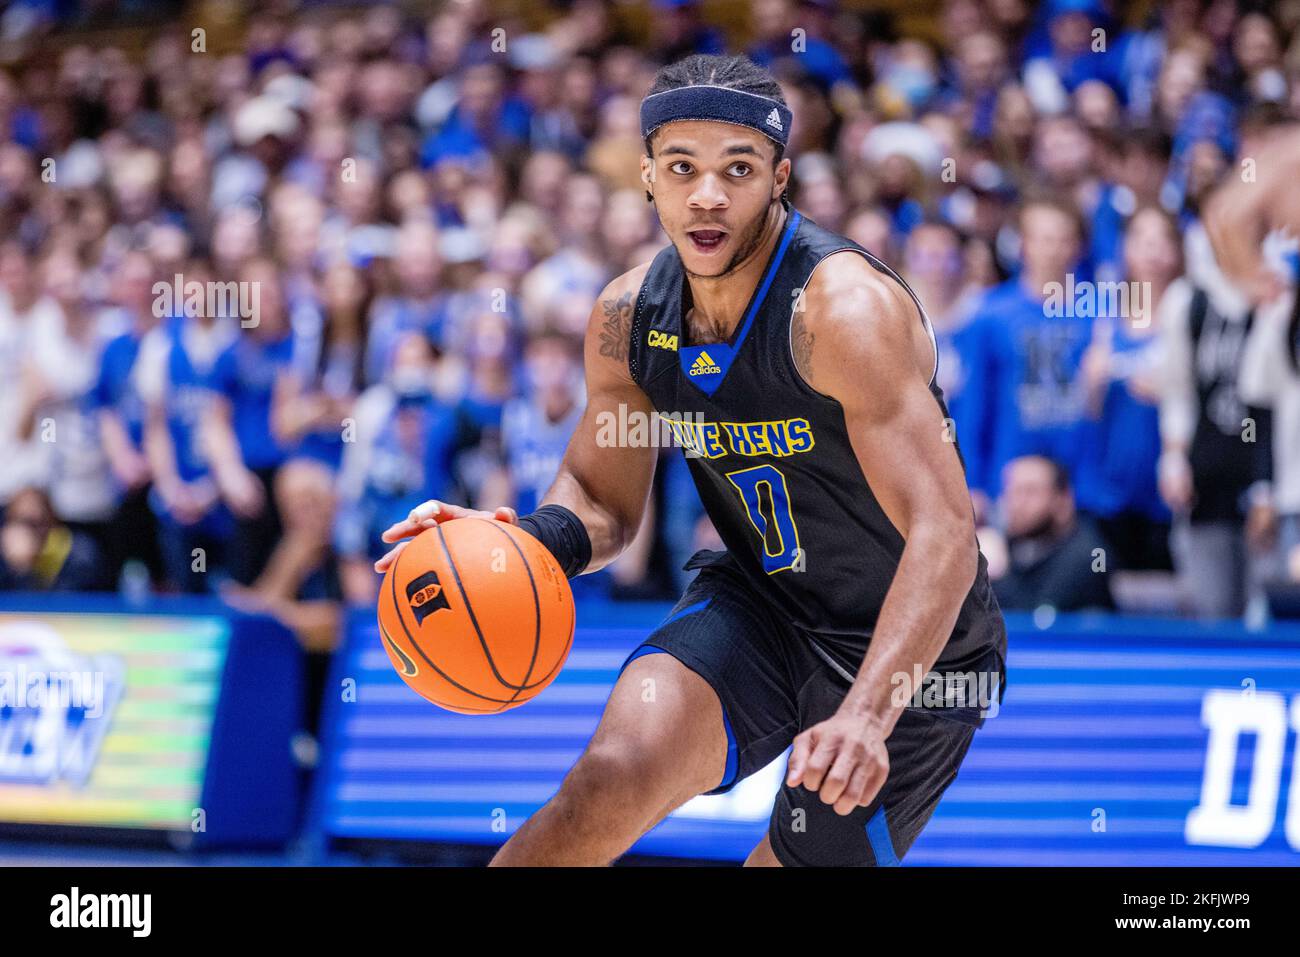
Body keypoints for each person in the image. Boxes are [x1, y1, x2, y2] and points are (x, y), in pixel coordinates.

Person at [377, 54, 1006, 867]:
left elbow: (947, 532)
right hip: (764, 603)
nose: (707, 194)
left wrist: (864, 713)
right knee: (601, 788)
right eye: (682, 168)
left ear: (779, 177)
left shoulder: (841, 312)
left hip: (917, 658)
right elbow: (603, 502)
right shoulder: (628, 315)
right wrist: (521, 548)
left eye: (737, 169)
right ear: (647, 177)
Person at [987, 455, 1114, 612]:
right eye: (1011, 491)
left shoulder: (1092, 555)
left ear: (1063, 499)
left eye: (1030, 492)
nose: (1017, 504)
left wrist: (999, 575)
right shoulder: (1009, 544)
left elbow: (1041, 620)